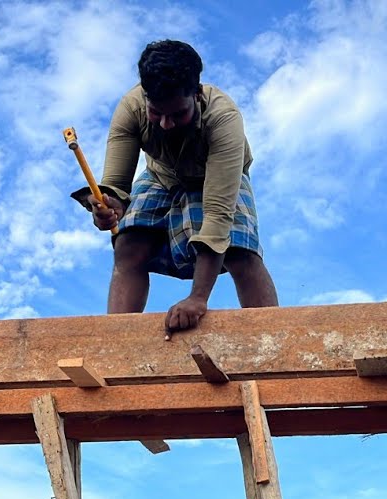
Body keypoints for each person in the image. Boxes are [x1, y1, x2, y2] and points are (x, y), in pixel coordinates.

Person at [72, 39, 278, 337]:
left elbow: (218, 217)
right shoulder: (131, 108)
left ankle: (272, 336)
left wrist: (198, 298)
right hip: (161, 175)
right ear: (145, 96)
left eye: (178, 114)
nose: (166, 124)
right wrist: (108, 207)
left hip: (214, 175)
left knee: (239, 251)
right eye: (157, 113)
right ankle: (115, 337)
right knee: (128, 246)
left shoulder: (224, 120)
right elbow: (115, 187)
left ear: (196, 94)